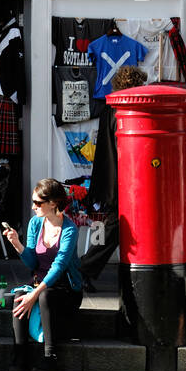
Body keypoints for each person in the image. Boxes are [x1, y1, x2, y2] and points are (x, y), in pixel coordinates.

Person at [1, 178, 84, 371]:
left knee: (45, 296)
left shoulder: (69, 229)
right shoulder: (35, 223)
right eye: (33, 202)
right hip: (40, 281)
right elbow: (32, 263)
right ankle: (20, 355)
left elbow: (60, 265)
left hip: (65, 286)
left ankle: (50, 356)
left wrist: (36, 295)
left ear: (53, 203)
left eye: (38, 203)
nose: (33, 207)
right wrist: (16, 244)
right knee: (20, 295)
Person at [78, 65, 147, 288]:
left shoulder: (112, 107)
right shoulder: (124, 111)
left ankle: (90, 269)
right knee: (114, 228)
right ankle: (83, 269)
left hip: (114, 178)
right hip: (124, 180)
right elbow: (124, 148)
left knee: (119, 228)